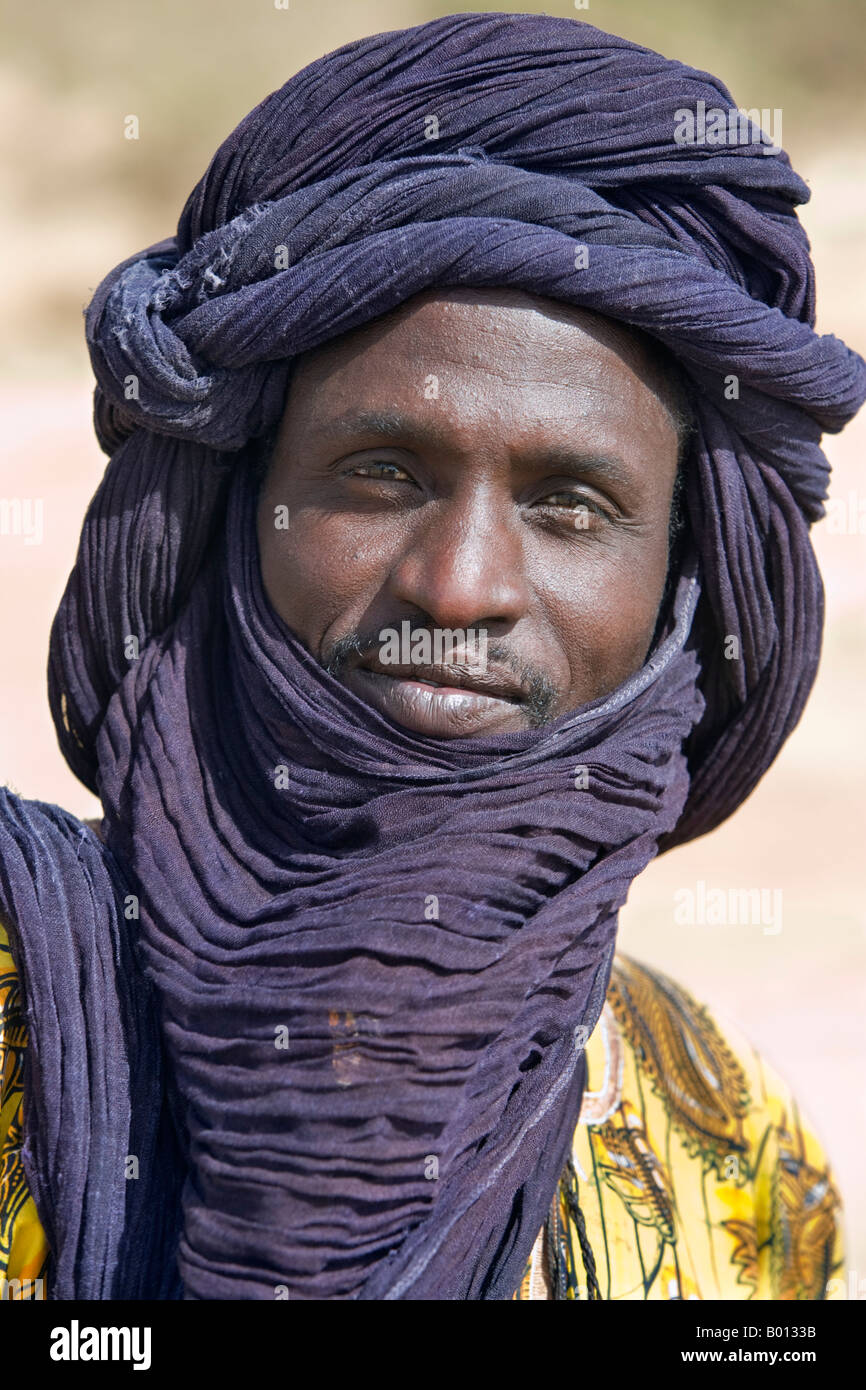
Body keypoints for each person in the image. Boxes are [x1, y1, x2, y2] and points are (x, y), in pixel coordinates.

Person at [0, 11, 861, 1301]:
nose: (459, 587)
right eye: (382, 472)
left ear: (680, 581)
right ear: (235, 507)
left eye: (570, 505)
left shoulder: (735, 1147)